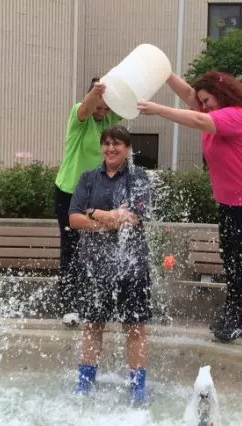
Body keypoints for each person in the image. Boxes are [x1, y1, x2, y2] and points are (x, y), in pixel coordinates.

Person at [137, 71, 242, 343]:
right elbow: (191, 97)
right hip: (232, 201)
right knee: (232, 258)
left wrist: (158, 110)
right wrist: (165, 72)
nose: (203, 105)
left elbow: (196, 118)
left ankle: (235, 316)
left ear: (222, 96)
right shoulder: (212, 110)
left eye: (207, 100)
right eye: (202, 101)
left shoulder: (239, 115)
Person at [69, 125, 152, 403]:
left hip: (132, 265)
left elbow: (132, 219)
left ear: (126, 148)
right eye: (106, 143)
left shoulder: (139, 178)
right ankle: (85, 381)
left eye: (117, 144)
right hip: (94, 265)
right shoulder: (88, 177)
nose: (111, 148)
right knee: (93, 325)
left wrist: (93, 213)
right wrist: (107, 218)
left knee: (135, 327)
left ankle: (137, 387)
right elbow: (73, 219)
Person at [54, 78, 122, 325]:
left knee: (100, 246)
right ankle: (69, 305)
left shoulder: (108, 121)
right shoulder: (79, 115)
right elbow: (85, 108)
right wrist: (97, 90)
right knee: (71, 248)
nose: (102, 112)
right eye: (99, 107)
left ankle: (98, 302)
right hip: (69, 191)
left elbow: (125, 107)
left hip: (96, 194)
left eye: (106, 108)